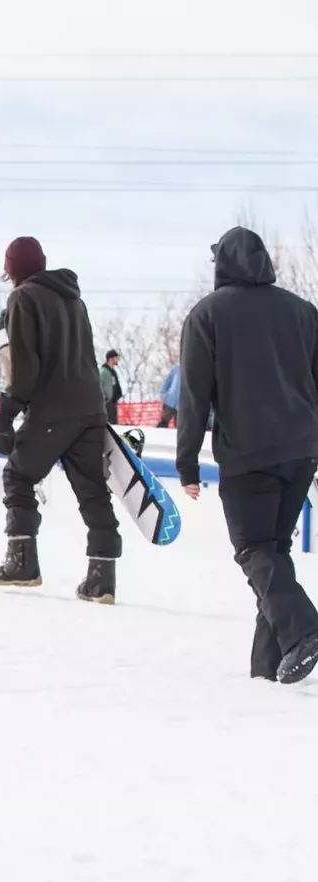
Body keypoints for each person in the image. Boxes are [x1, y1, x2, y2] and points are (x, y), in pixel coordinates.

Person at [177, 226, 318, 684]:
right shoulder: (303, 312)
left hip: (248, 454)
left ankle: (304, 630)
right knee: (273, 552)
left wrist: (188, 462)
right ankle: (268, 669)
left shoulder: (207, 315)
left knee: (253, 549)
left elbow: (195, 396)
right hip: (301, 451)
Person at [0, 236, 120, 603]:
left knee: (18, 476)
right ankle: (101, 577)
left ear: (12, 269)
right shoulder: (74, 298)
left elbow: (25, 366)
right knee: (92, 488)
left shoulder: (22, 298)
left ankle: (22, 562)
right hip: (91, 406)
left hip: (53, 409)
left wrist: (6, 414)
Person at [99, 349, 123, 424]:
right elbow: (99, 387)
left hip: (113, 404)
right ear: (111, 358)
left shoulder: (113, 372)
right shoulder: (103, 372)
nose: (117, 359)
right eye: (116, 357)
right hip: (106, 405)